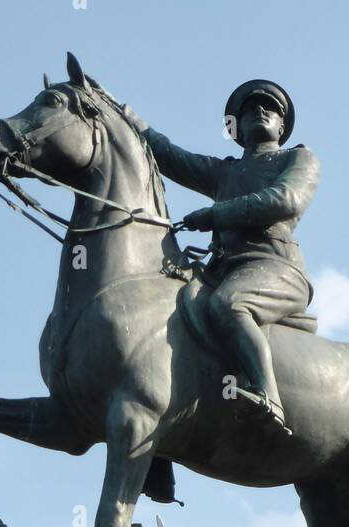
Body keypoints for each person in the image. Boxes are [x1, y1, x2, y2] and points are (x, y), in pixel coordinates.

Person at [124, 80, 319, 437]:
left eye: (270, 109)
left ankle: (268, 395)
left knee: (231, 305)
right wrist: (130, 120)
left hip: (275, 269)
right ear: (236, 129)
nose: (260, 112)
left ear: (281, 126)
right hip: (222, 270)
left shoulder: (298, 158)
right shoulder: (224, 171)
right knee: (157, 321)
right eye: (249, 110)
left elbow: (285, 199)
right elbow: (170, 157)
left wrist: (216, 214)